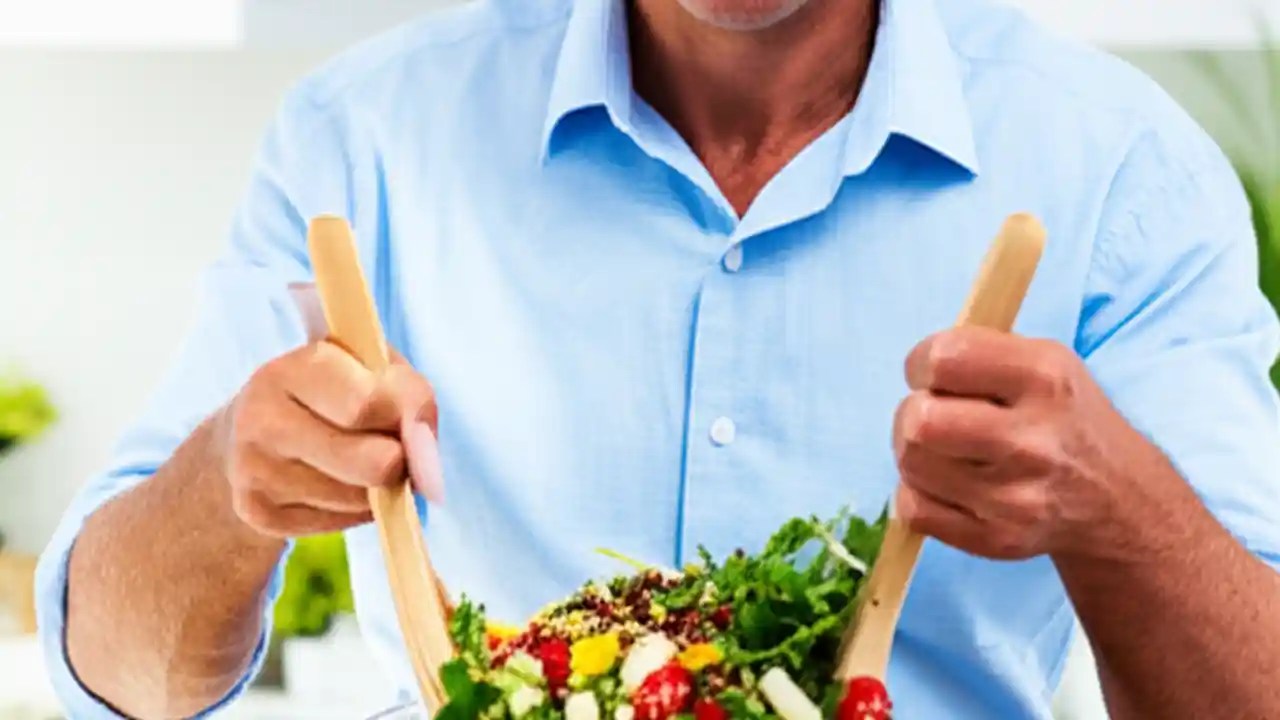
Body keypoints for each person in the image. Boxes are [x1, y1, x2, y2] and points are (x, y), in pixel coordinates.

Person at [35, 0, 1280, 717]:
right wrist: (230, 485)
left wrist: (1119, 512)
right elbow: (119, 672)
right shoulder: (363, 140)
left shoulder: (1120, 171)